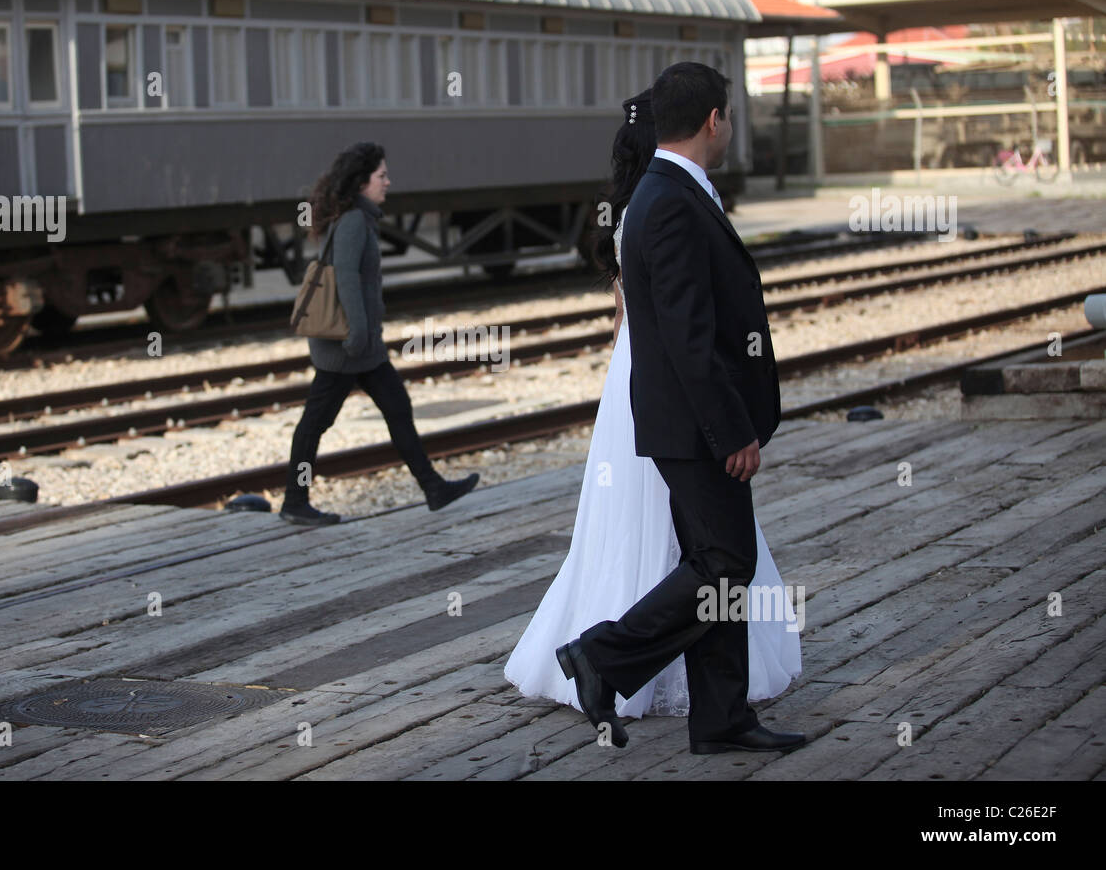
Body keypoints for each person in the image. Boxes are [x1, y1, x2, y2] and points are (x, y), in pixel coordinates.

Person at [504, 87, 801, 728]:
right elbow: (687, 336)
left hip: (675, 408)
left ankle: (721, 721)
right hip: (691, 416)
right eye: (729, 118)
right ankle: (601, 655)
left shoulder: (662, 195)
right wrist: (730, 430)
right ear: (713, 120)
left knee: (713, 559)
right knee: (725, 563)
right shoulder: (668, 202)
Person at [280, 141, 479, 526]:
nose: (388, 181)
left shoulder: (358, 216)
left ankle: (433, 487)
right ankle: (294, 500)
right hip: (348, 346)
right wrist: (356, 334)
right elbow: (349, 282)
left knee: (397, 409)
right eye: (381, 175)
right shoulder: (354, 220)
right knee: (316, 421)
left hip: (362, 346)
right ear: (361, 182)